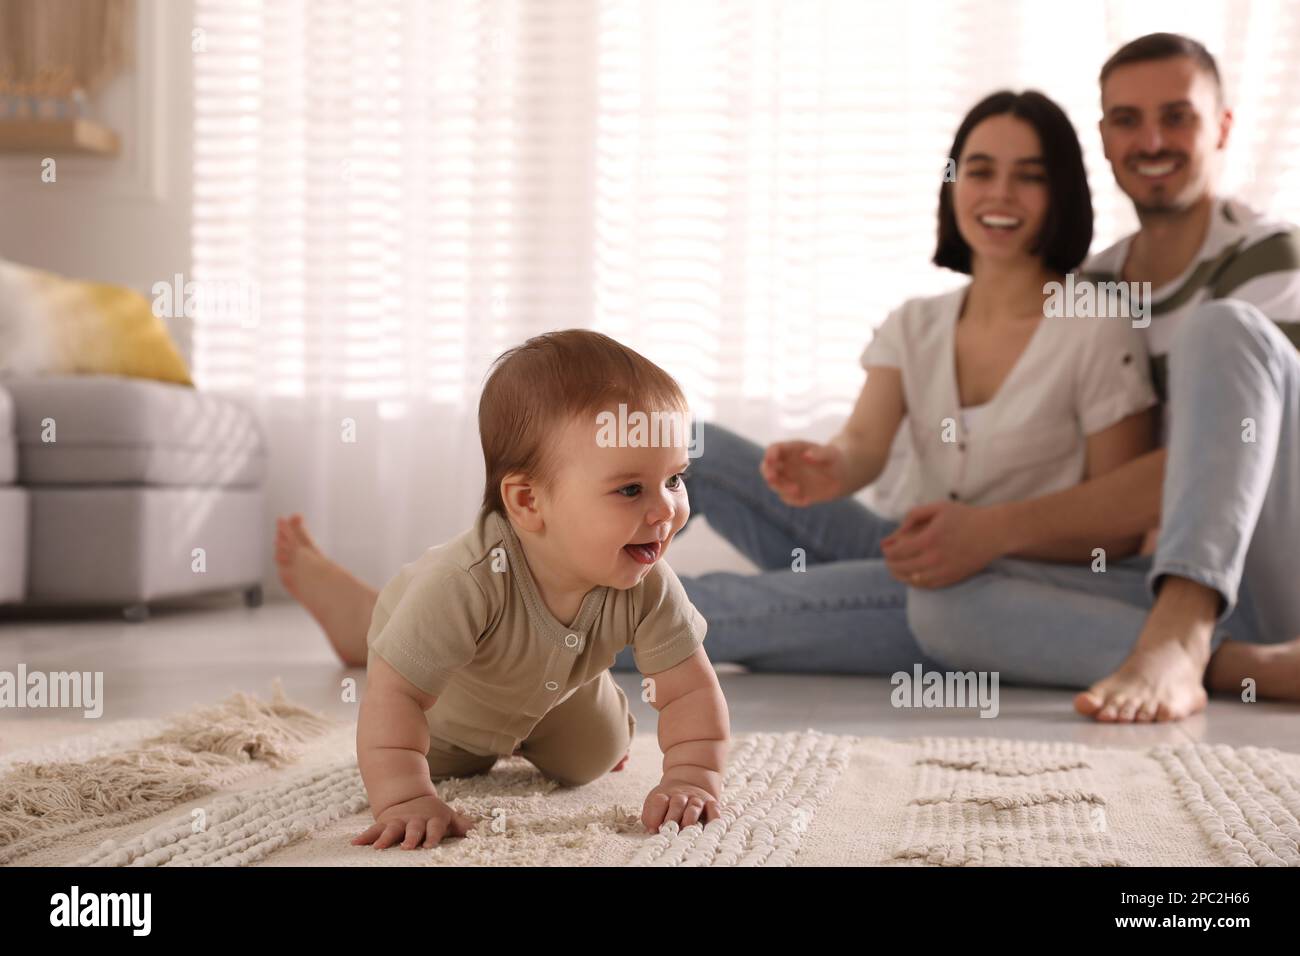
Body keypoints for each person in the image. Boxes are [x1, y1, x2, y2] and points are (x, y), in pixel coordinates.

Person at [888, 34, 1300, 723]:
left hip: (1278, 554)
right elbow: (1100, 489)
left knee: (1218, 329)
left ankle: (1185, 633)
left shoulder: (1267, 254)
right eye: (1128, 120)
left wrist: (996, 528)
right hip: (1157, 569)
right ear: (1104, 138)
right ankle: (1249, 664)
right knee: (942, 603)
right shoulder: (1093, 287)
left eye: (1178, 116)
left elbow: (1234, 452)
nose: (1152, 140)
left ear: (1222, 127)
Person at [344, 330, 727, 849]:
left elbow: (690, 690)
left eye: (675, 480)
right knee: (415, 755)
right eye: (631, 489)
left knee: (596, 755)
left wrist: (692, 776)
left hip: (559, 698)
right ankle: (355, 612)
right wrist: (405, 797)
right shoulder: (467, 581)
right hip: (447, 714)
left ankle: (590, 706)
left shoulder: (648, 581)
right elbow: (397, 696)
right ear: (528, 501)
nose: (664, 511)